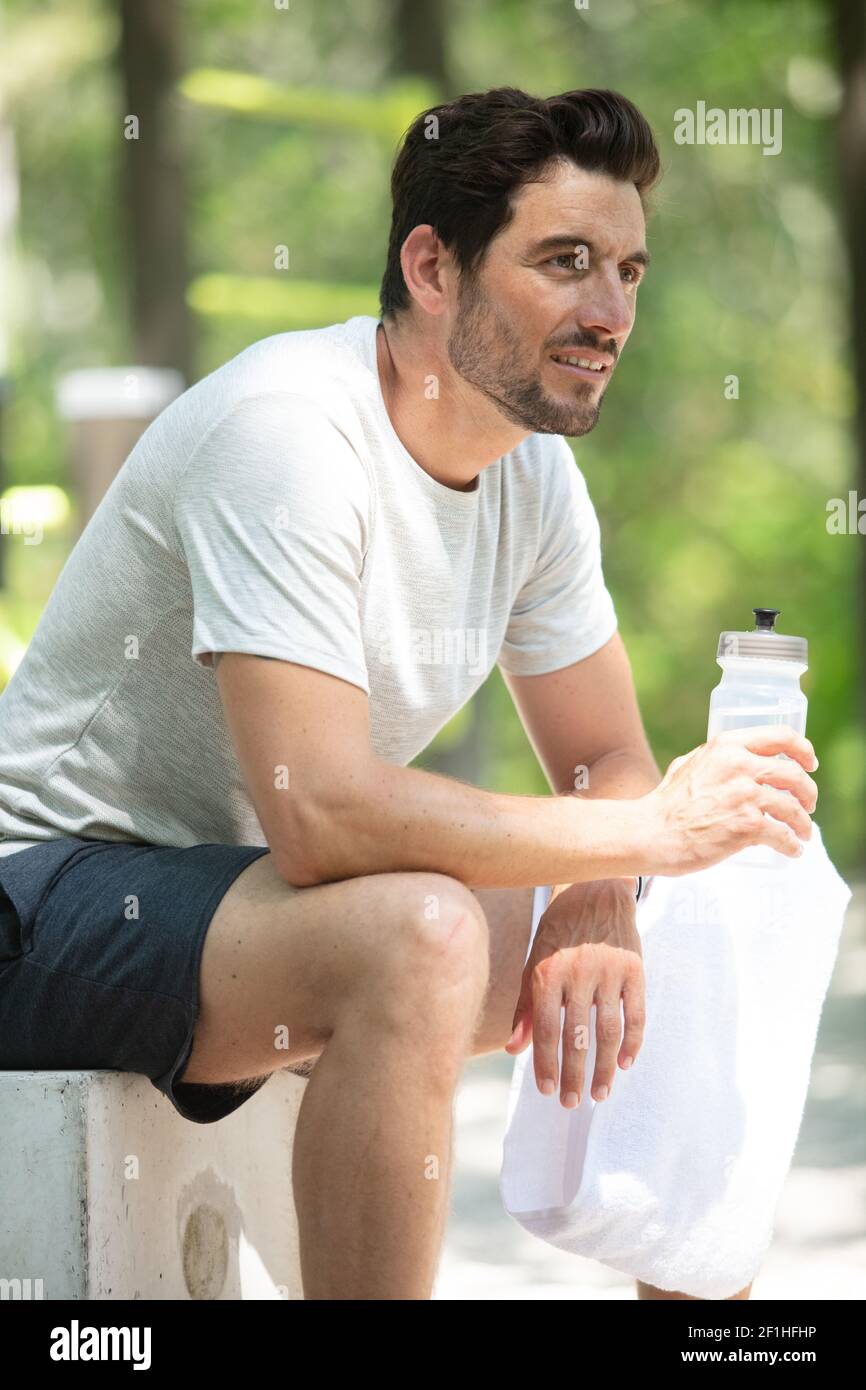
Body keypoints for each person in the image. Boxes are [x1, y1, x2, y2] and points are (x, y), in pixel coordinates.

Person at [0, 87, 818, 1300]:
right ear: (432, 267)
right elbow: (321, 816)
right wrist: (639, 829)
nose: (609, 313)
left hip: (248, 905)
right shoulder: (285, 433)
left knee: (690, 893)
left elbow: (604, 757)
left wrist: (605, 885)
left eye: (629, 272)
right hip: (53, 897)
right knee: (421, 935)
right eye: (565, 262)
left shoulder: (530, 475)